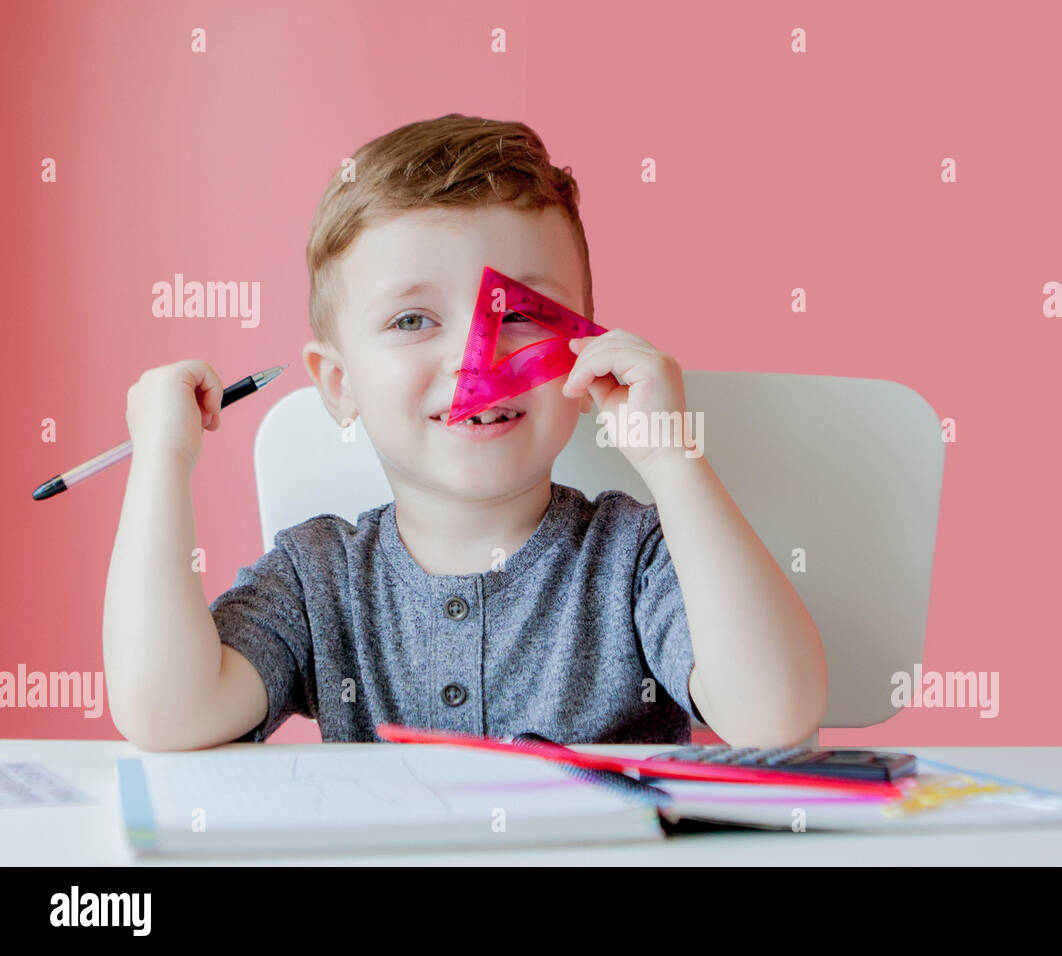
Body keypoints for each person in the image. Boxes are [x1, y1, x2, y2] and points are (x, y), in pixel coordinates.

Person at [102, 114, 827, 750]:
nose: (475, 359)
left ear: (586, 347)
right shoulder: (316, 577)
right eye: (413, 320)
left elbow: (774, 713)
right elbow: (169, 713)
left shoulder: (636, 559)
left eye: (519, 314)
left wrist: (674, 459)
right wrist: (161, 462)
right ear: (339, 383)